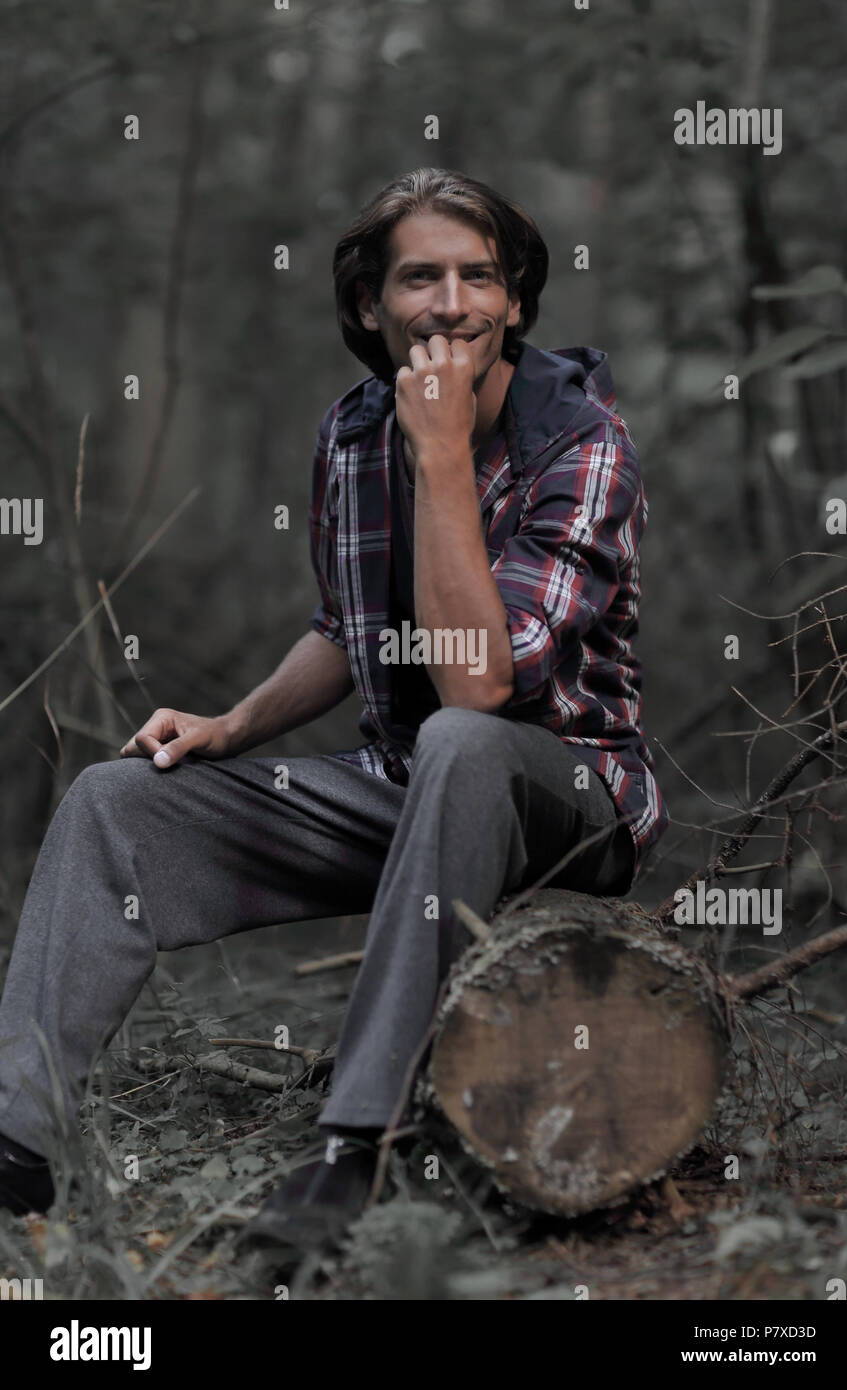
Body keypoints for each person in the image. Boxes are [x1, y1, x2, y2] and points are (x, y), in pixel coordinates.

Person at [0, 168, 668, 1255]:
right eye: (420, 277)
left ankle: (353, 1147)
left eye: (478, 276)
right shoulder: (353, 434)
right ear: (368, 304)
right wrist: (231, 727)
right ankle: (17, 1145)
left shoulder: (580, 441)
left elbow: (478, 687)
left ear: (512, 301)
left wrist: (442, 459)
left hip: (569, 796)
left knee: (461, 739)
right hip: (407, 792)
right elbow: (340, 626)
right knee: (115, 801)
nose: (451, 302)